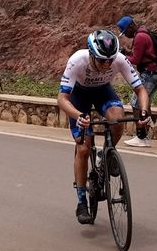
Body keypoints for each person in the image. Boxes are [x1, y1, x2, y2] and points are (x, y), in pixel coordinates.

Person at [56, 30, 151, 225]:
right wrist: (78, 116)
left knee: (117, 118)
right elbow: (62, 99)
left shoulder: (120, 60)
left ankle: (107, 154)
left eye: (110, 61)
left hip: (102, 92)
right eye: (101, 61)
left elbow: (141, 89)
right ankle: (81, 202)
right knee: (83, 148)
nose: (107, 65)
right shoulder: (77, 61)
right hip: (79, 96)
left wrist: (143, 112)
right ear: (91, 54)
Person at [116, 15, 157, 147]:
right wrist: (127, 53)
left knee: (137, 103)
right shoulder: (143, 32)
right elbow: (139, 55)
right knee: (145, 104)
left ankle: (141, 136)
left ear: (131, 27)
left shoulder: (140, 37)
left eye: (125, 31)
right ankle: (145, 135)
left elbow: (135, 60)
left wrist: (122, 58)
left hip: (149, 74)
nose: (126, 34)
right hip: (155, 73)